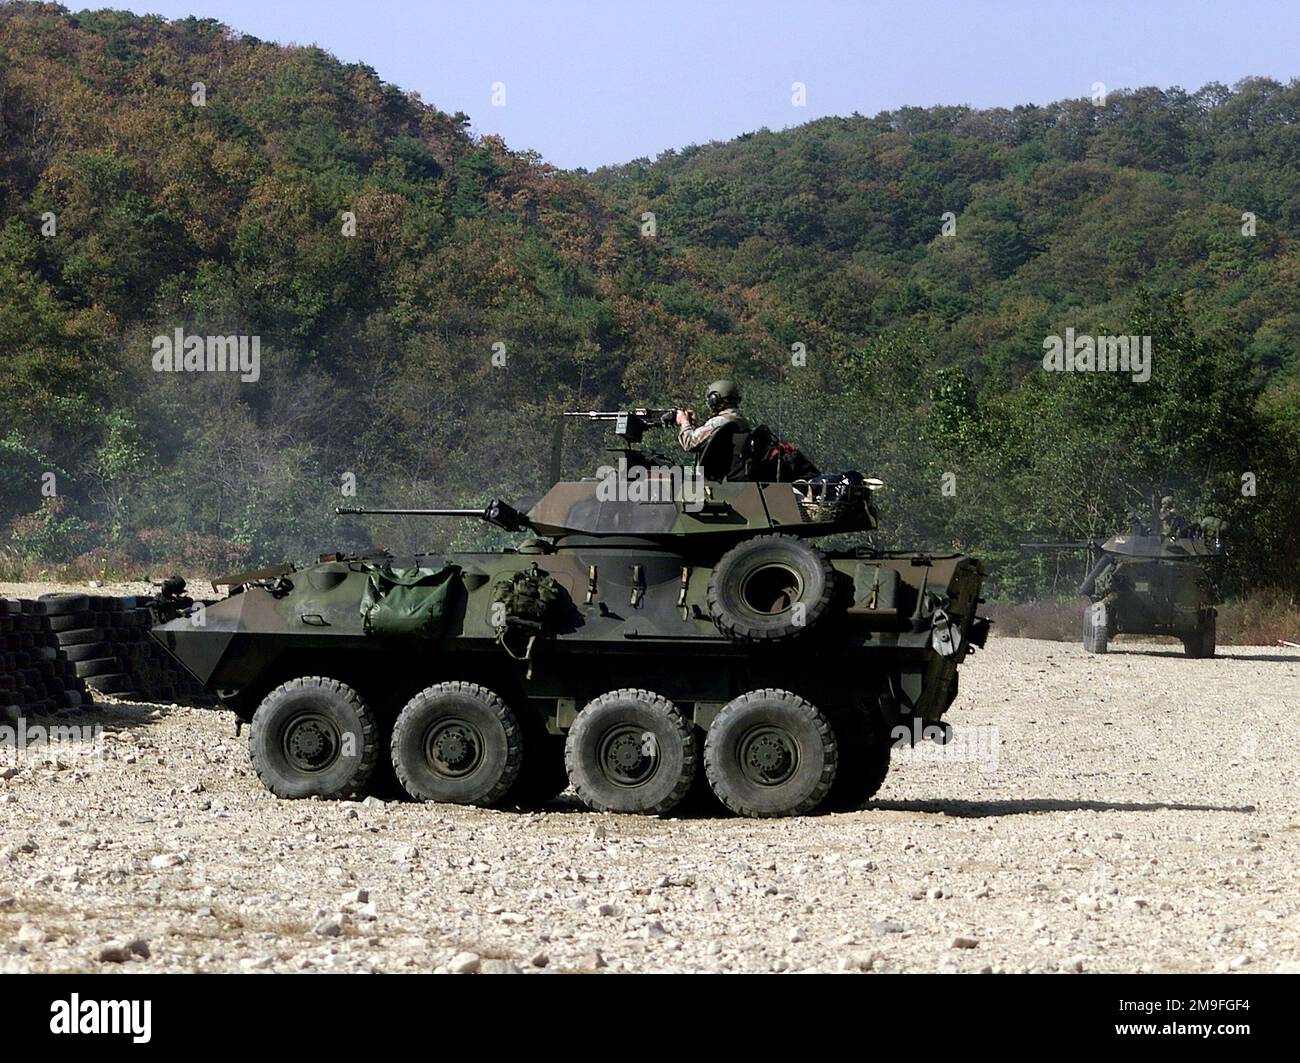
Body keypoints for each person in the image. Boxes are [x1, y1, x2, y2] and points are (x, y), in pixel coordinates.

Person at [676, 380, 751, 480]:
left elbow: (689, 443)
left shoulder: (719, 422)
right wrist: (696, 425)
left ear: (714, 399)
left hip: (713, 481)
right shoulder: (740, 420)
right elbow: (711, 439)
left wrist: (684, 422)